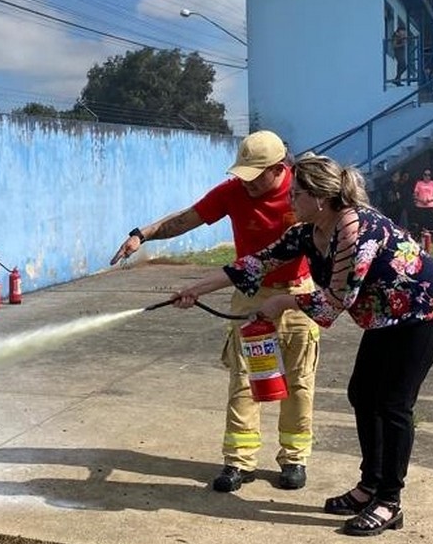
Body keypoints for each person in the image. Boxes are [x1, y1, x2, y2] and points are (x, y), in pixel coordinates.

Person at [170, 153, 433, 537]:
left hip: (425, 313)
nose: (289, 202)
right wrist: (194, 290)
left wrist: (283, 302)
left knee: (392, 403)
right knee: (362, 394)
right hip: (386, 316)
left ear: (320, 198)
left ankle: (389, 502)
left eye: (296, 195)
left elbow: (336, 301)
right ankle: (368, 486)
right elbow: (255, 264)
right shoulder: (308, 232)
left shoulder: (355, 229)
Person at [111, 131, 319, 493]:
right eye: (243, 174)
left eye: (255, 175)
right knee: (245, 378)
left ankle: (294, 459)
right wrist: (140, 234)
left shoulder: (301, 193)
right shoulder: (233, 191)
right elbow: (186, 218)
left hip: (297, 293)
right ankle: (239, 461)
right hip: (250, 294)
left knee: (298, 381)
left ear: (279, 169)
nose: (246, 183)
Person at [412, 167, 433, 238]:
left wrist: (429, 199)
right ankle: (420, 236)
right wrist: (421, 199)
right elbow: (415, 194)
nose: (427, 176)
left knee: (431, 222)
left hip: (431, 205)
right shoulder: (419, 183)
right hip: (420, 205)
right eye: (425, 174)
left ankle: (431, 237)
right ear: (423, 175)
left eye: (429, 175)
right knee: (421, 222)